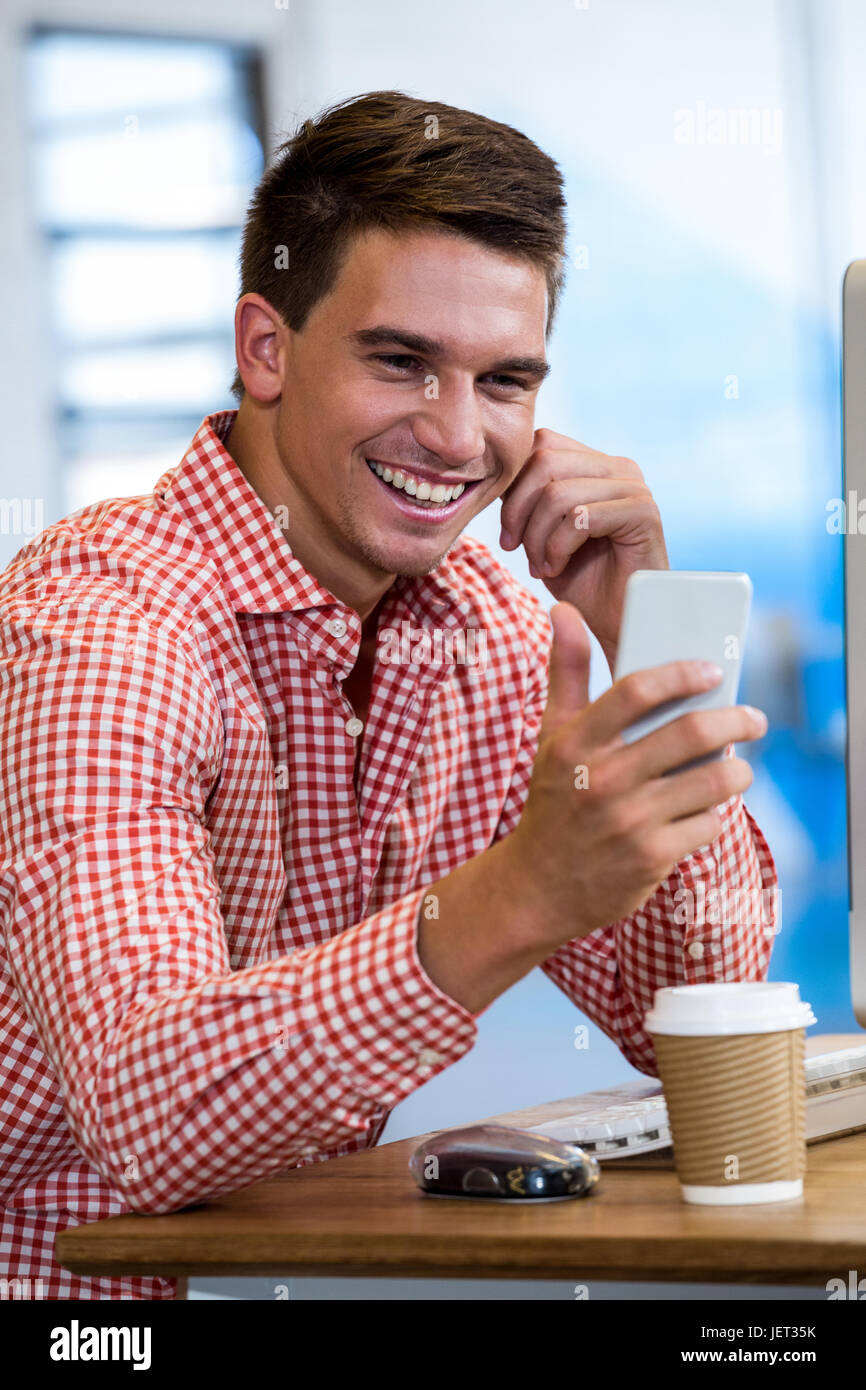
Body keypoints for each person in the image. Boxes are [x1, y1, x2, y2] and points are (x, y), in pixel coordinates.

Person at [0, 90, 776, 1300]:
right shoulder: (106, 620)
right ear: (267, 348)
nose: (457, 436)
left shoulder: (491, 629)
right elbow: (143, 1116)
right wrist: (517, 893)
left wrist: (655, 649)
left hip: (278, 1285)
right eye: (402, 361)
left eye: (504, 380)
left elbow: (698, 1035)